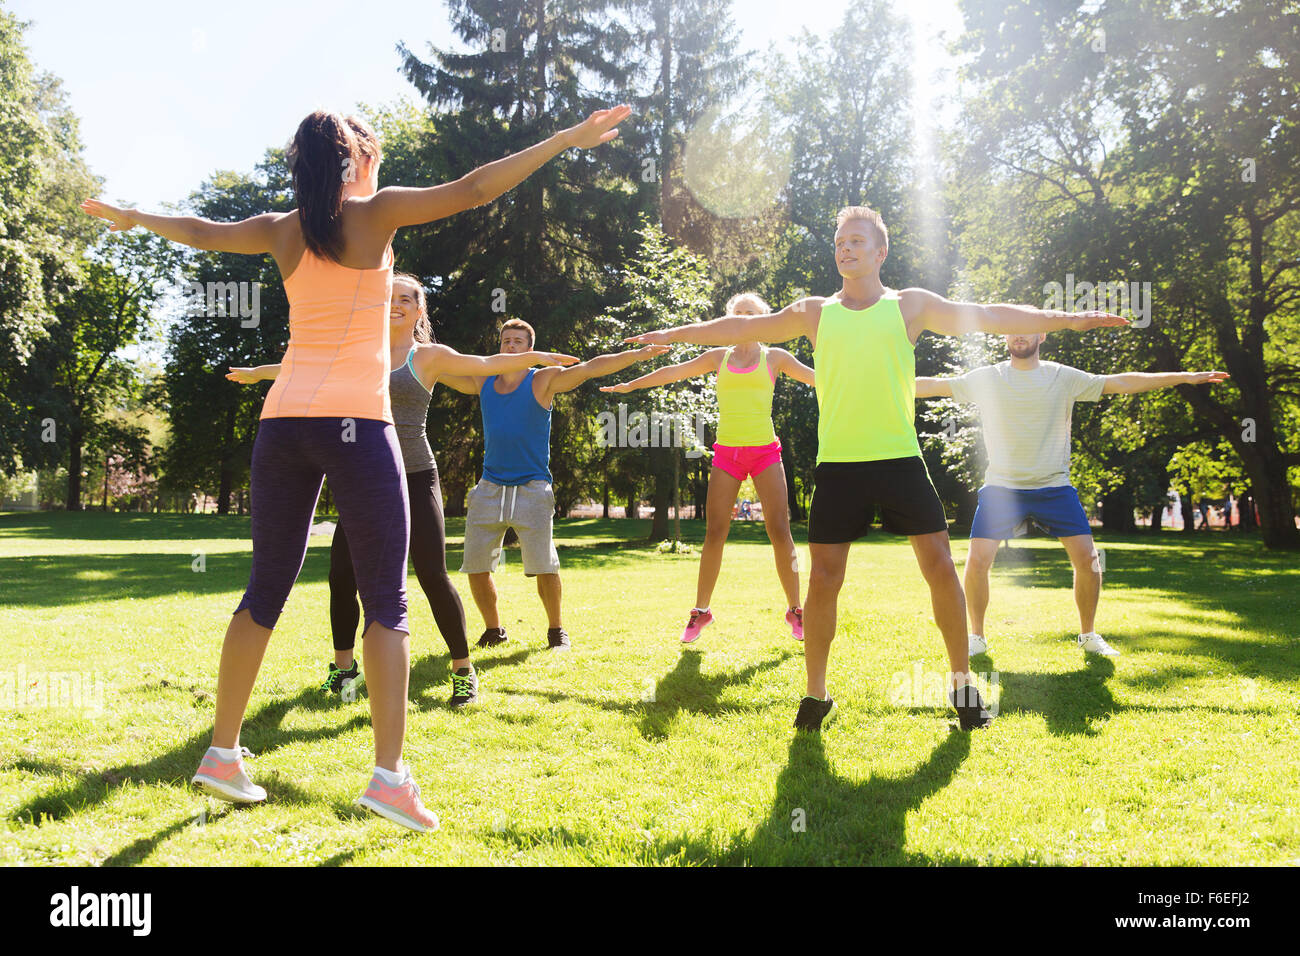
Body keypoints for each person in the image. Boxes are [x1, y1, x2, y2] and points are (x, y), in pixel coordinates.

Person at [82, 103, 630, 831]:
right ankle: (388, 778)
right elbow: (474, 189)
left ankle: (222, 752)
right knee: (388, 600)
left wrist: (133, 214)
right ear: (358, 161)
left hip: (283, 424)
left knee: (264, 589)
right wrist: (566, 137)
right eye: (375, 157)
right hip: (355, 425)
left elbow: (202, 232)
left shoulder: (282, 228)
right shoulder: (374, 215)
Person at [625, 204, 1128, 732]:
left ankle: (962, 686)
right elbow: (741, 325)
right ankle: (815, 695)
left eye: (857, 241)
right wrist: (672, 334)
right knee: (823, 578)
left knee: (938, 565)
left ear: (880, 251)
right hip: (839, 467)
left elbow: (989, 313)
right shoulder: (815, 312)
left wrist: (1068, 319)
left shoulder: (909, 306)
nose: (846, 248)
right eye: (840, 241)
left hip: (900, 462)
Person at [227, 272, 578, 707]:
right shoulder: (357, 352)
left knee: (432, 575)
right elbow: (302, 367)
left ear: (419, 309)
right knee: (341, 576)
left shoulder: (427, 356)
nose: (397, 303)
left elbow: (486, 365)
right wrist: (260, 372)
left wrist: (538, 357)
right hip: (364, 477)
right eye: (389, 296)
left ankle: (463, 671)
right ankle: (344, 672)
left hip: (414, 474)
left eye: (408, 298)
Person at [916, 336, 1227, 657]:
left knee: (1089, 561)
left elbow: (1120, 382)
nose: (1019, 335)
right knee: (978, 561)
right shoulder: (988, 378)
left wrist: (1183, 377)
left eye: (1028, 329)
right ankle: (977, 637)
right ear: (1005, 335)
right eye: (1012, 329)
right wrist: (876, 381)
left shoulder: (1062, 377)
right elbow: (933, 385)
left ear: (1042, 335)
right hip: (1002, 488)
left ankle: (1088, 635)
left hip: (1054, 488)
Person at [600, 292, 815, 644]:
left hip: (765, 453)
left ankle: (796, 610)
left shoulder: (776, 357)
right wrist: (632, 384)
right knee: (716, 531)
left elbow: (819, 380)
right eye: (739, 313)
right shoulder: (719, 356)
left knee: (780, 529)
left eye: (752, 314)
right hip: (727, 454)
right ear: (728, 320)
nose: (745, 319)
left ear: (765, 319)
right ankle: (701, 612)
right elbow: (674, 372)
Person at [440, 320, 668, 650]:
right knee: (476, 566)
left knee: (544, 566)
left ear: (531, 351)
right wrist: (406, 350)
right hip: (489, 487)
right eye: (506, 341)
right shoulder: (483, 379)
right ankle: (494, 629)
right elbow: (438, 367)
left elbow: (591, 368)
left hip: (532, 488)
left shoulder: (542, 380)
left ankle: (556, 630)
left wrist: (637, 354)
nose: (511, 346)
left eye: (519, 341)